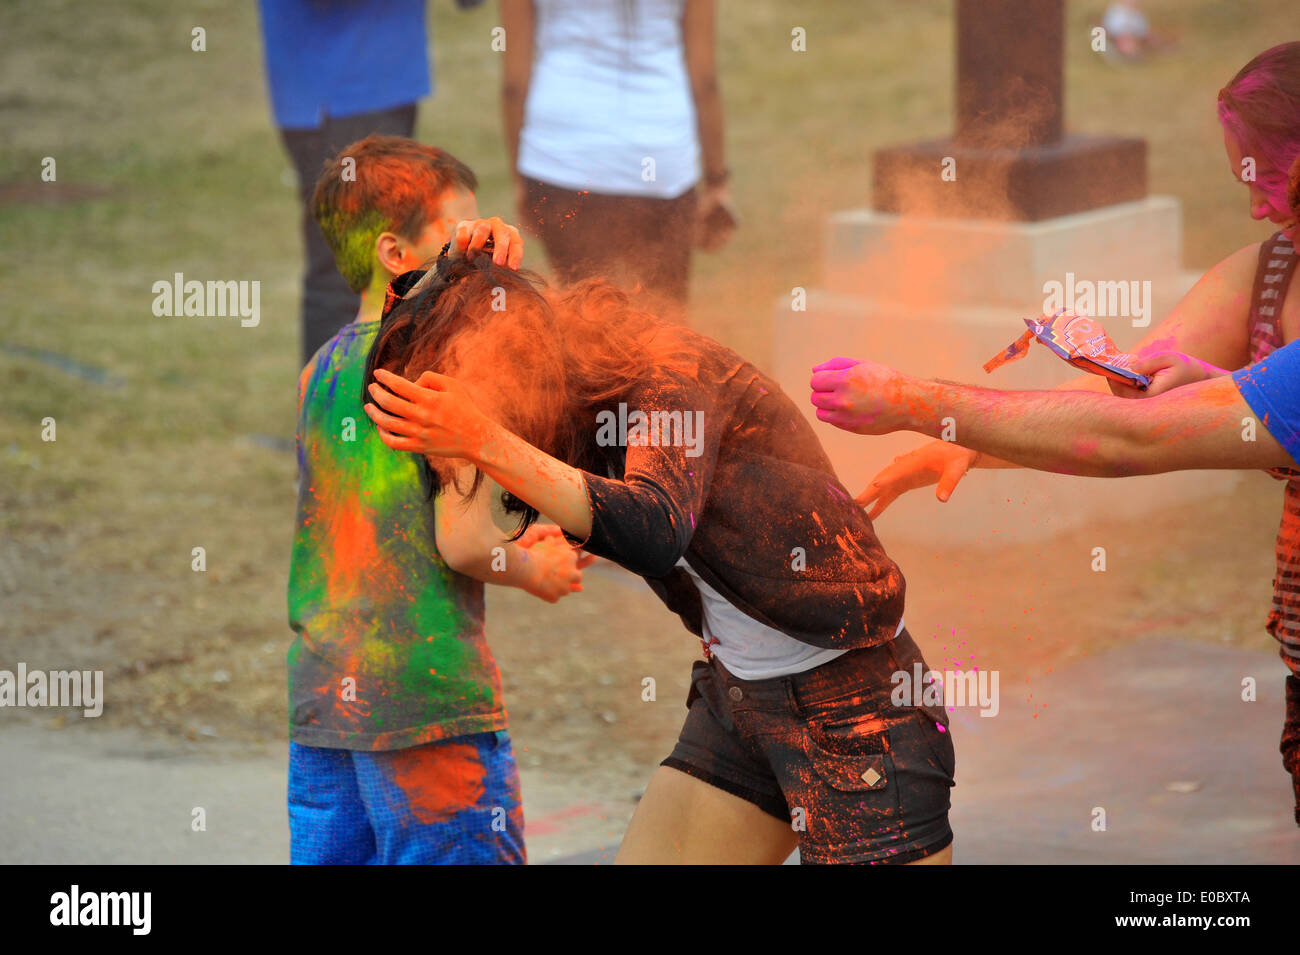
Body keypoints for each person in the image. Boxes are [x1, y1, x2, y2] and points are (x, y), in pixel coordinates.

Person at [361, 253, 955, 865]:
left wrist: (483, 436)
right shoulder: (574, 387)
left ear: (514, 360)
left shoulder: (667, 367)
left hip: (856, 713)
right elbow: (481, 528)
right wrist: (452, 266)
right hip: (740, 703)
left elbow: (656, 526)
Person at [849, 43, 1300, 825]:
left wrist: (915, 399)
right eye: (1241, 173)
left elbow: (1135, 442)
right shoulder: (1269, 273)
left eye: (1265, 168)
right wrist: (969, 438)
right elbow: (1122, 400)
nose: (1254, 198)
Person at [287, 138, 587, 865]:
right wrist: (531, 567)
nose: (477, 252)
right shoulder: (445, 365)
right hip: (429, 711)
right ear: (395, 253)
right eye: (458, 238)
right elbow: (460, 542)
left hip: (325, 707)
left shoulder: (317, 374)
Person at [500, 0, 735, 319]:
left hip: (561, 161)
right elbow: (704, 80)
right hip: (660, 160)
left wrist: (521, 180)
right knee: (666, 329)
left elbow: (514, 84)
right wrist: (717, 181)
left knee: (584, 324)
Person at [259, 0, 441, 363]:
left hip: (378, 85)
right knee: (347, 276)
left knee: (387, 271)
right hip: (339, 91)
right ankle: (326, 416)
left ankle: (359, 411)